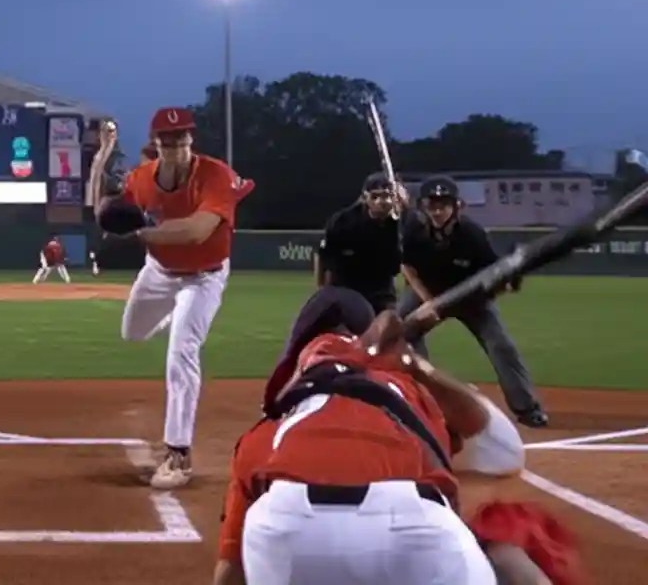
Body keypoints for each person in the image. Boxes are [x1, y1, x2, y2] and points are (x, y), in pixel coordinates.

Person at [213, 298, 575, 585]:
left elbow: (230, 573)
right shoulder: (406, 389)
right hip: (412, 527)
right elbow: (505, 452)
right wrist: (419, 367)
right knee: (503, 540)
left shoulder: (269, 430)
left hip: (282, 526)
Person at [88, 106, 252, 489]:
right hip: (159, 273)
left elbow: (197, 231)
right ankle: (174, 317)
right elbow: (102, 210)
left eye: (183, 138)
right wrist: (101, 158)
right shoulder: (141, 179)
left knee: (182, 353)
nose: (177, 145)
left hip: (204, 277)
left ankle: (178, 454)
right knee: (132, 332)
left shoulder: (215, 175)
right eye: (168, 139)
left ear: (191, 140)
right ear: (156, 144)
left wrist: (141, 232)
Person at [397, 175, 548, 427]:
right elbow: (407, 267)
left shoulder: (471, 234)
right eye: (432, 205)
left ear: (457, 206)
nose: (437, 210)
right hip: (428, 291)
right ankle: (420, 402)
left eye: (443, 205)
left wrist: (507, 285)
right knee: (401, 333)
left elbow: (494, 276)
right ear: (424, 206)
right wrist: (428, 302)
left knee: (501, 344)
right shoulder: (415, 231)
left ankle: (527, 407)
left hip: (469, 296)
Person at [314, 172, 405, 314]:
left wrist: (394, 226)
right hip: (345, 288)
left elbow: (395, 268)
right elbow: (323, 257)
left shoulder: (399, 224)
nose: (381, 202)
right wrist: (321, 291)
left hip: (380, 291)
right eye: (375, 197)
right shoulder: (343, 222)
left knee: (393, 326)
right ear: (364, 198)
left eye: (387, 196)